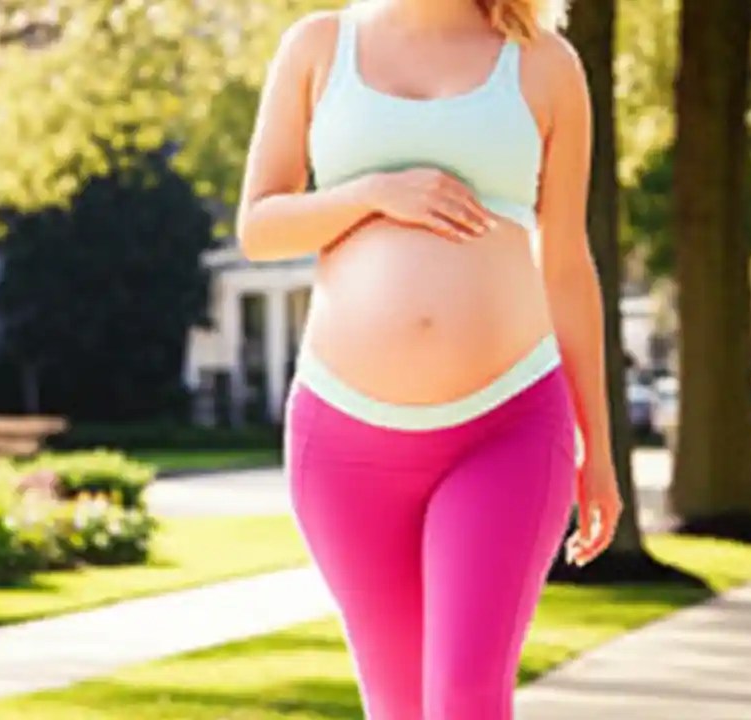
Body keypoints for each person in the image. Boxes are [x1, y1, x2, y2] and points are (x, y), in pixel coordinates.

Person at [236, 0, 621, 717]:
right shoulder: (319, 47)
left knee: (467, 699)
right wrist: (374, 194)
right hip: (344, 434)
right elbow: (259, 226)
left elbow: (567, 265)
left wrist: (596, 449)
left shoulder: (544, 61)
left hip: (507, 426)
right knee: (397, 705)